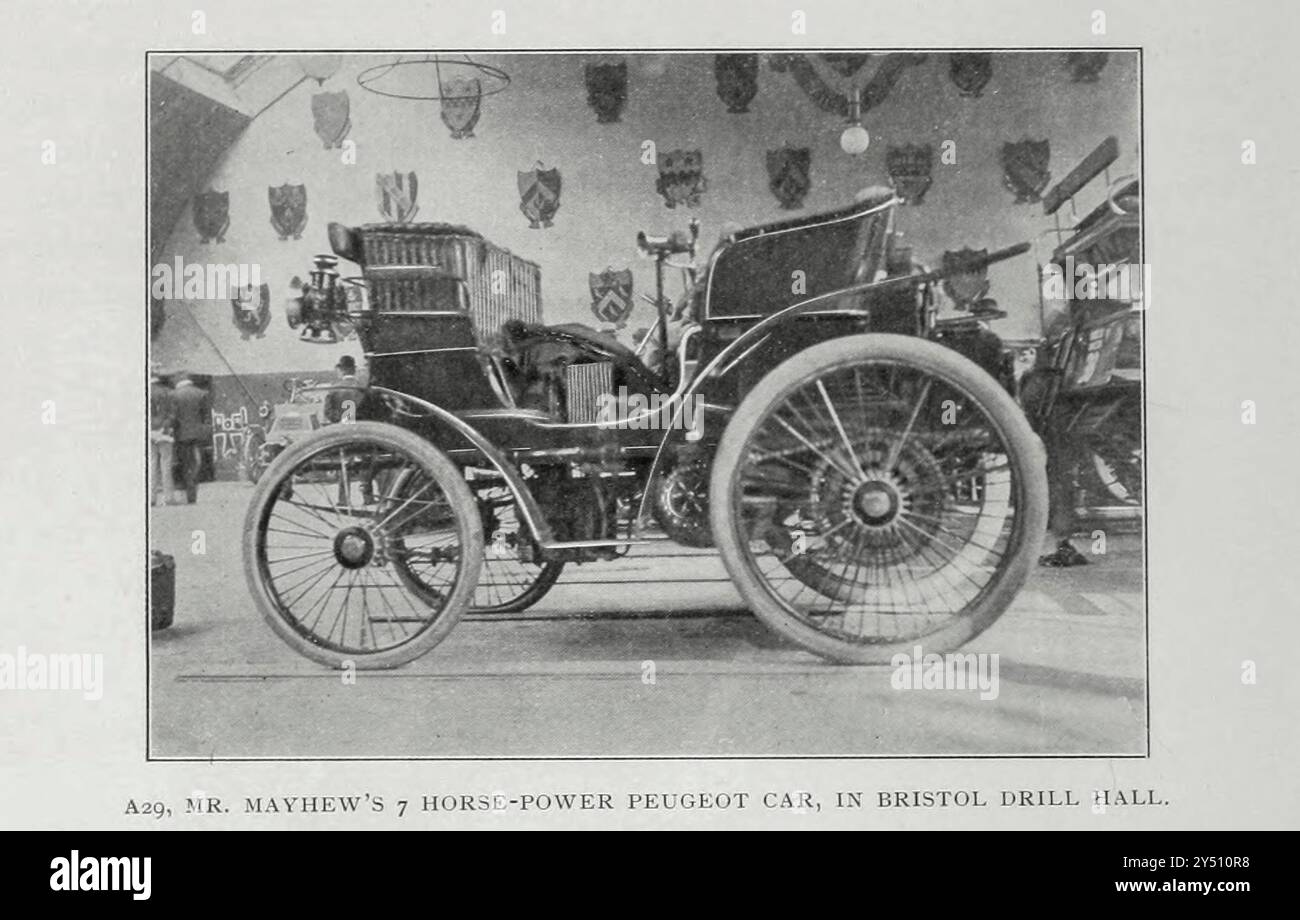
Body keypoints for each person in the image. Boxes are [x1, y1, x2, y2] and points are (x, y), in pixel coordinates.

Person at [172, 373, 211, 504]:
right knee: (196, 463)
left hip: (181, 435)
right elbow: (206, 416)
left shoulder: (174, 395)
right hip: (197, 435)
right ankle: (192, 493)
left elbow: (173, 417)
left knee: (185, 464)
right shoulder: (201, 393)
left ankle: (187, 490)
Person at [149, 367, 177, 506]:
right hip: (164, 433)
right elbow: (172, 414)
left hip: (148, 433)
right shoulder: (166, 392)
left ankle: (151, 498)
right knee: (166, 464)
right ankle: (168, 498)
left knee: (152, 464)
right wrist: (164, 428)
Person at [324, 355, 365, 424]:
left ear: (341, 370)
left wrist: (341, 421)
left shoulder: (333, 390)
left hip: (342, 429)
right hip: (362, 429)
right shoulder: (364, 388)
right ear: (354, 370)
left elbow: (328, 412)